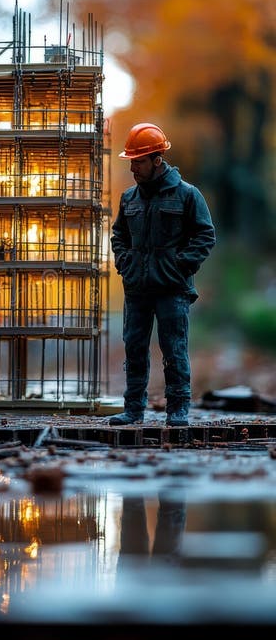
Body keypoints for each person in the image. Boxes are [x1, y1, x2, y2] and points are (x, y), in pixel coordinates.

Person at [106, 122, 216, 427]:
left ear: (157, 160)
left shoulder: (187, 195)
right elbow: (119, 236)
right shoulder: (129, 199)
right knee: (134, 349)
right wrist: (126, 264)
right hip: (137, 288)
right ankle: (133, 410)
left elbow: (205, 236)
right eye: (131, 162)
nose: (133, 168)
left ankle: (178, 410)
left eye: (138, 161)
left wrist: (181, 265)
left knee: (175, 350)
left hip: (172, 289)